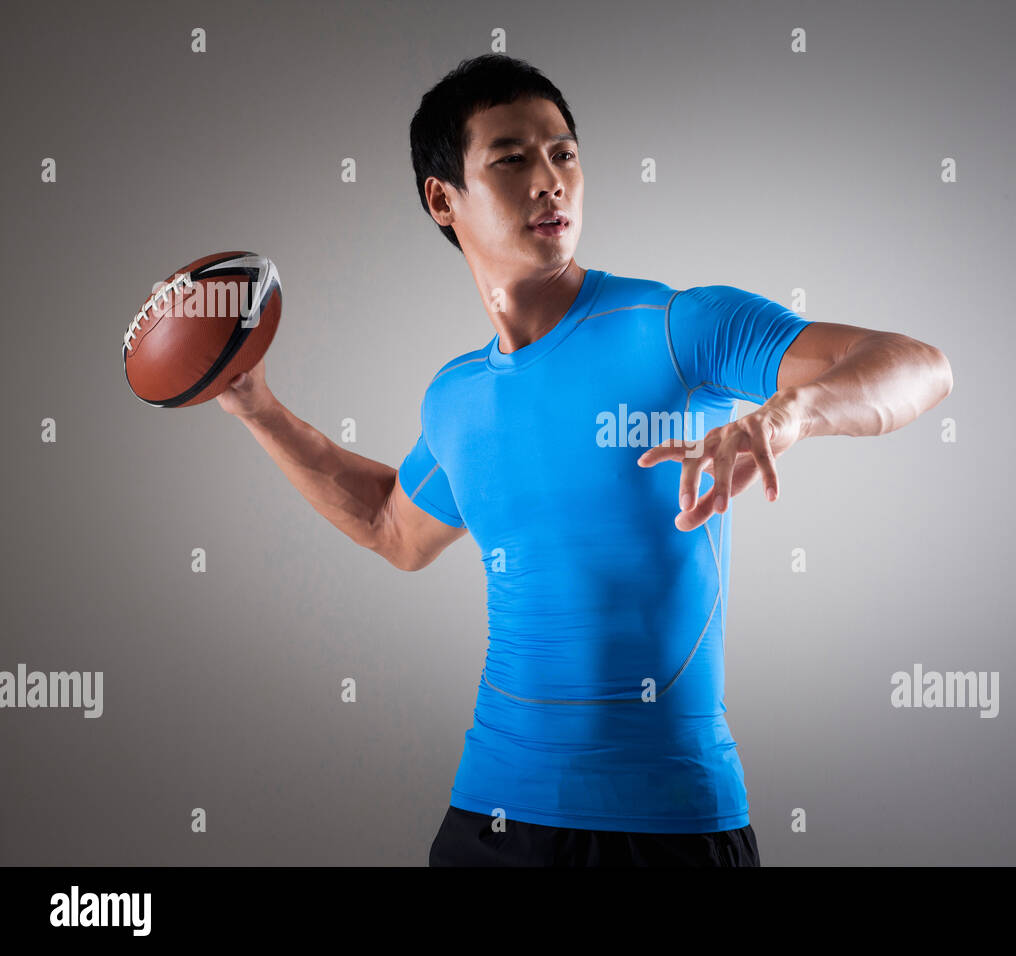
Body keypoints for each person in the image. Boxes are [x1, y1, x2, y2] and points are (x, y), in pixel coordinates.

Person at [217, 54, 954, 866]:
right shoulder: (456, 397)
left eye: (564, 153)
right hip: (488, 820)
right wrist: (259, 409)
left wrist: (787, 416)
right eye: (511, 159)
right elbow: (395, 528)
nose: (550, 180)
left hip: (669, 827)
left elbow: (917, 364)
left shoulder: (678, 325)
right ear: (441, 198)